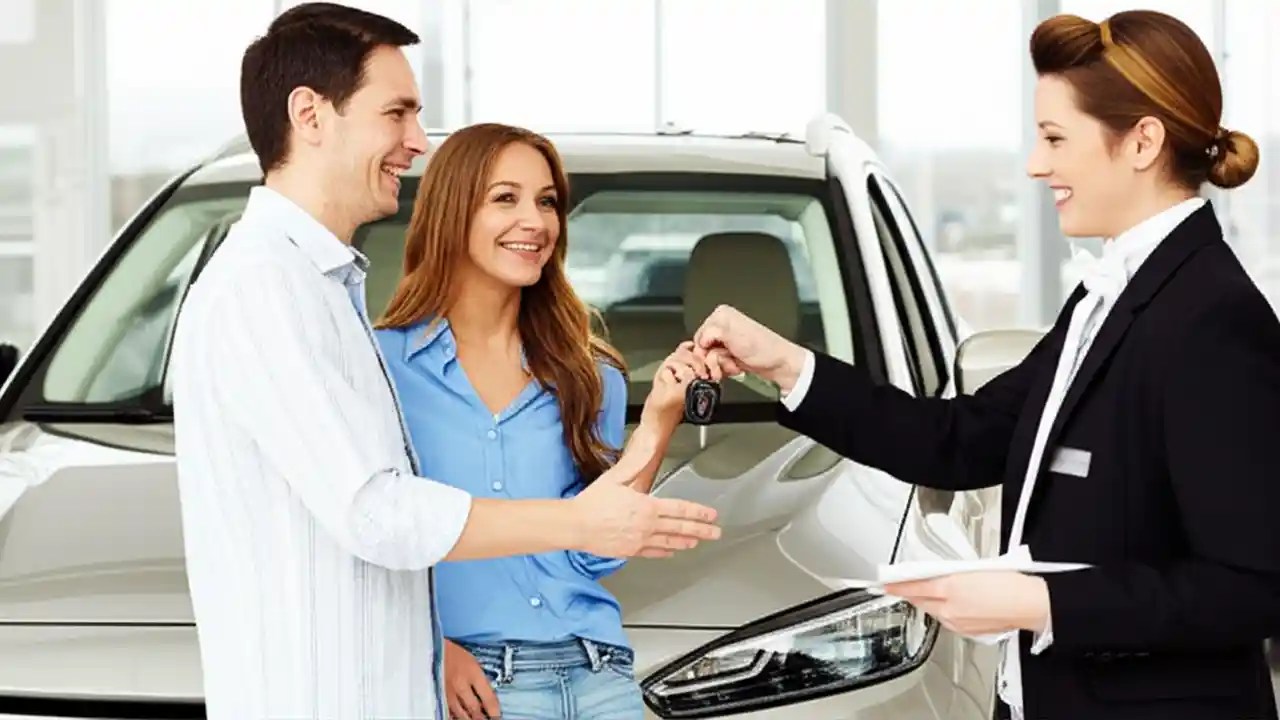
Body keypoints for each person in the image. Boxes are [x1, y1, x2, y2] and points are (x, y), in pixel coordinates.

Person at [689, 10, 1278, 720]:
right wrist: (786, 364)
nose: (1036, 164)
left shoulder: (1212, 320)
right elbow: (960, 439)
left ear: (1142, 141)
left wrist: (1038, 600)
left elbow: (1253, 586)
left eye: (1055, 138)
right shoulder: (1112, 299)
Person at [168, 6, 720, 720]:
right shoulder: (264, 288)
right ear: (310, 115)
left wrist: (643, 445)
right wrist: (572, 525)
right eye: (395, 114)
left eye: (547, 202)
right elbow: (377, 512)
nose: (416, 143)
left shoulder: (324, 288)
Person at [374, 122, 707, 720]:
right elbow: (371, 534)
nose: (536, 221)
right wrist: (427, 647)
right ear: (453, 211)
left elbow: (595, 550)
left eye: (547, 201)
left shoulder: (589, 374)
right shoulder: (383, 369)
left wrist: (657, 422)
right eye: (506, 198)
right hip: (477, 689)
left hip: (600, 674)